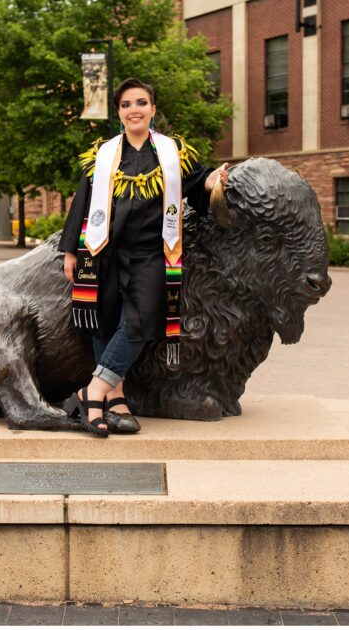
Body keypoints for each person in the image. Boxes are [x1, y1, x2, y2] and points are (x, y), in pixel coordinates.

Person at [58, 78, 229, 437]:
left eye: (141, 102)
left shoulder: (172, 152)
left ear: (152, 108)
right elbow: (82, 201)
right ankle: (116, 400)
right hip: (103, 250)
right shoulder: (103, 154)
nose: (133, 109)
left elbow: (196, 188)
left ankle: (91, 393)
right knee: (105, 318)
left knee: (139, 320)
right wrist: (70, 249)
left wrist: (211, 182)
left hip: (153, 251)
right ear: (119, 112)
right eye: (125, 104)